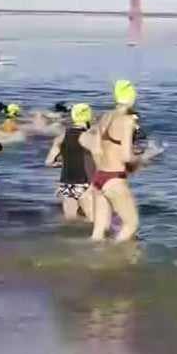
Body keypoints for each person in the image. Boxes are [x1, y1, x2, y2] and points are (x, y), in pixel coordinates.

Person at [84, 80, 141, 242]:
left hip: (99, 178)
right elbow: (126, 157)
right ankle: (113, 257)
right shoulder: (127, 120)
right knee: (131, 225)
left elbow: (96, 149)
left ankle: (90, 259)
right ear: (131, 98)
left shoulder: (105, 117)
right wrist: (142, 159)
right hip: (114, 178)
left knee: (97, 234)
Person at [45, 102, 96, 221]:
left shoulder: (60, 138)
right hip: (84, 183)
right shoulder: (89, 138)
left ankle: (69, 238)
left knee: (71, 221)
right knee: (93, 220)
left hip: (66, 184)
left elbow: (49, 162)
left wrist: (63, 163)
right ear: (88, 117)